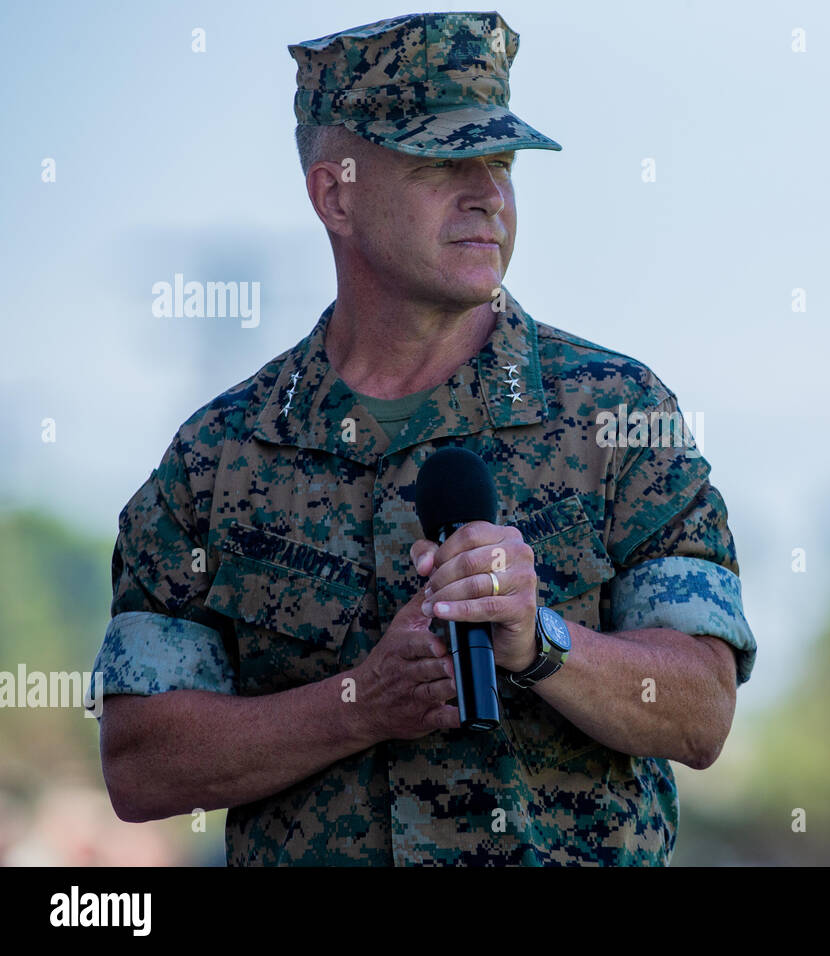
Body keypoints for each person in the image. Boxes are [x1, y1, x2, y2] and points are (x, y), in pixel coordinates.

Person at [89, 11, 756, 866]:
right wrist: (358, 704)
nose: (489, 194)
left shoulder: (619, 415)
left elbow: (700, 713)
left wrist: (540, 639)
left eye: (503, 163)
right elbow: (140, 764)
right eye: (445, 163)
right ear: (337, 193)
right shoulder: (217, 459)